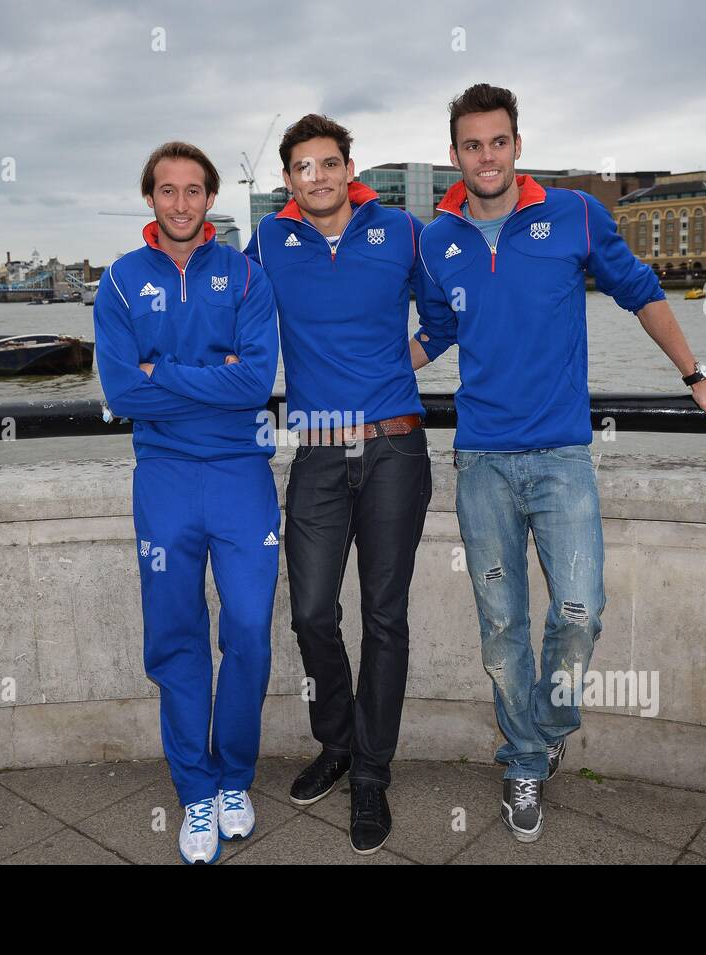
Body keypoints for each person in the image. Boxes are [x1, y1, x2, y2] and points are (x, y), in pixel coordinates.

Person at [412, 84, 706, 843]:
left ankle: (543, 730)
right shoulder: (435, 240)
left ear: (517, 145)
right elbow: (435, 331)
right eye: (471, 145)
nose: (486, 156)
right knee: (500, 624)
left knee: (580, 612)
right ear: (455, 155)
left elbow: (640, 292)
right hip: (479, 461)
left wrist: (696, 375)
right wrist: (355, 382)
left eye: (498, 141)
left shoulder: (574, 214)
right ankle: (524, 762)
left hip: (561, 459)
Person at [244, 114, 451, 854]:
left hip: (395, 450)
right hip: (319, 458)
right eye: (304, 167)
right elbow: (229, 308)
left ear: (348, 166)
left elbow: (445, 315)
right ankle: (335, 741)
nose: (319, 177)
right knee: (309, 611)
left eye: (329, 163)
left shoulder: (398, 229)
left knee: (385, 617)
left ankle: (371, 772)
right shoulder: (269, 241)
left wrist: (397, 368)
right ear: (289, 179)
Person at [93, 141, 281, 864]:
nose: (181, 204)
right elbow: (121, 391)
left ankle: (235, 777)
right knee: (175, 640)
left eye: (194, 191)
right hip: (164, 477)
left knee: (250, 634)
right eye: (167, 191)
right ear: (150, 197)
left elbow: (254, 383)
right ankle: (196, 791)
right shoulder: (117, 283)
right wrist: (210, 374)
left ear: (210, 199)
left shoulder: (246, 276)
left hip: (241, 477)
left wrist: (162, 371)